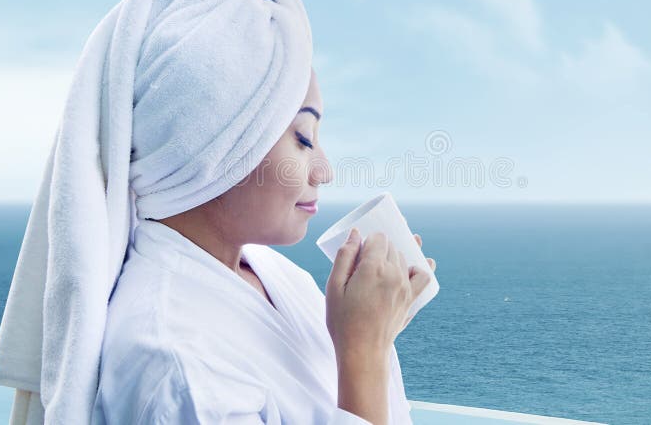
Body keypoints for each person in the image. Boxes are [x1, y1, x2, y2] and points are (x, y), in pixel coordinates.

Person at [91, 69, 436, 424]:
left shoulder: (269, 270)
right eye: (304, 139)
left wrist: (378, 324)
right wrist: (363, 352)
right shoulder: (178, 373)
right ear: (217, 145)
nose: (325, 171)